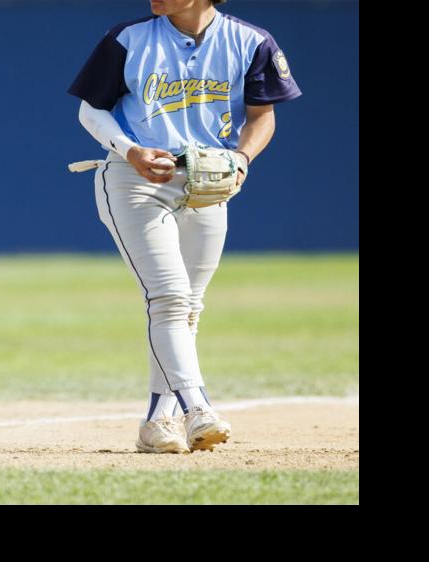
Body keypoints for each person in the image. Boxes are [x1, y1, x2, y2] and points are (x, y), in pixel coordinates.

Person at [68, 0, 301, 453]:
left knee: (187, 306)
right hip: (134, 179)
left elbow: (262, 115)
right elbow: (89, 111)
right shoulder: (128, 39)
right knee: (170, 297)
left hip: (207, 182)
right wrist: (130, 149)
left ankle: (157, 421)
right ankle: (199, 409)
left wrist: (242, 158)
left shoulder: (250, 42)